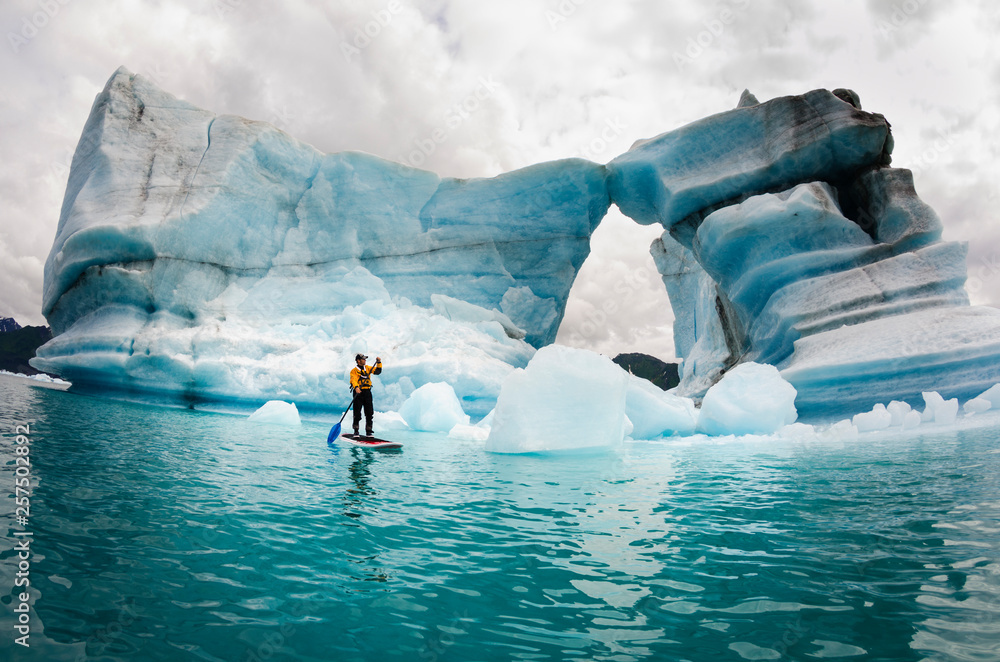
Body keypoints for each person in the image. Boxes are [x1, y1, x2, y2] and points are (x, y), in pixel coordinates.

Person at [350, 353, 382, 437]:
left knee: (369, 412)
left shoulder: (368, 368)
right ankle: (356, 431)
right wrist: (356, 387)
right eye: (363, 359)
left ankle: (369, 431)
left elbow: (378, 371)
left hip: (367, 392)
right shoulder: (353, 371)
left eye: (365, 359)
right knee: (357, 413)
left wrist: (379, 362)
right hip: (358, 393)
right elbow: (353, 380)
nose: (365, 360)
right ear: (358, 360)